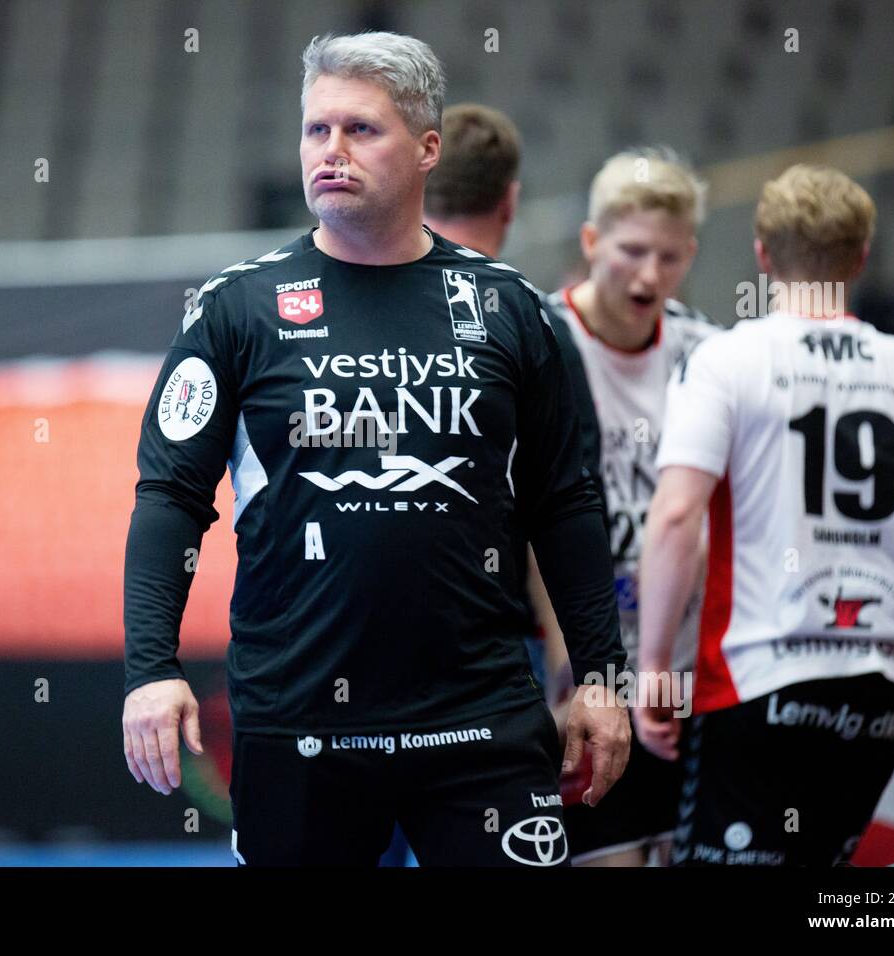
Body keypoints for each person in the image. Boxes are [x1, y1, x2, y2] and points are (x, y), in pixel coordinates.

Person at [120, 31, 629, 867]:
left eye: (361, 130)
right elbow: (170, 498)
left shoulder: (508, 308)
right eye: (317, 131)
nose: (332, 151)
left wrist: (604, 676)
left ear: (429, 148)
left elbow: (564, 502)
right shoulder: (237, 310)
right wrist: (150, 667)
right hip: (300, 719)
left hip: (482, 718)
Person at [638, 164, 894, 866]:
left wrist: (651, 665)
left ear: (763, 253)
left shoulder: (727, 360)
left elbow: (675, 519)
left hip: (756, 678)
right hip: (879, 688)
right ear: (861, 257)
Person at [534, 148, 717, 866]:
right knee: (604, 856)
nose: (649, 274)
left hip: (679, 656)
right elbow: (522, 524)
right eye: (632, 251)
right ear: (590, 242)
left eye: (669, 257)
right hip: (568, 649)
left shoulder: (707, 351)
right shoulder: (539, 339)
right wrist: (574, 672)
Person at [422, 102, 605, 710]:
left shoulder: (350, 323)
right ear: (510, 200)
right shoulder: (535, 325)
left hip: (340, 657)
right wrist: (574, 670)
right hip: (496, 662)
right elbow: (560, 510)